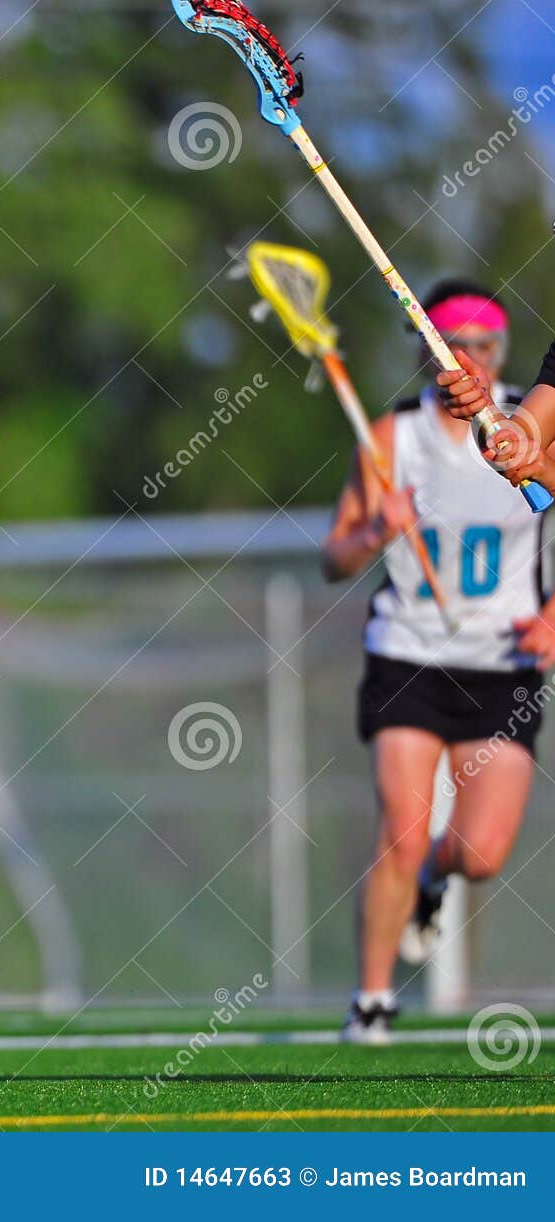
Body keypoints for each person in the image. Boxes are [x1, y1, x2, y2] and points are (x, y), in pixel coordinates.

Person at [321, 281, 553, 1043]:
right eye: (456, 346)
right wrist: (375, 533)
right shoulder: (395, 438)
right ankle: (373, 1000)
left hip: (503, 665)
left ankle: (430, 885)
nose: (473, 361)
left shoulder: (532, 425)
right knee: (403, 827)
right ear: (430, 353)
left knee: (480, 854)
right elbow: (336, 556)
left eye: (485, 347)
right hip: (410, 655)